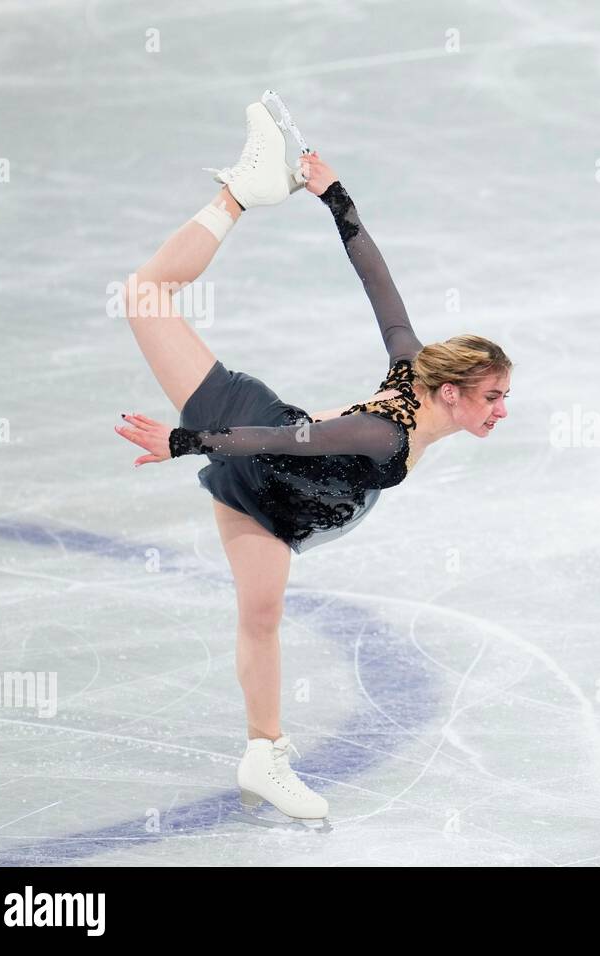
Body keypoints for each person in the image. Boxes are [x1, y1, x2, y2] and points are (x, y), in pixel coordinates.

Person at [115, 91, 513, 825]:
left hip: (279, 501)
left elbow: (379, 283)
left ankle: (264, 756)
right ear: (453, 393)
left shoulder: (409, 371)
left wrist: (337, 197)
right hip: (252, 437)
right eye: (492, 396)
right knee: (145, 297)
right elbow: (286, 439)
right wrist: (184, 441)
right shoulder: (387, 432)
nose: (501, 410)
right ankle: (241, 190)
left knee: (260, 618)